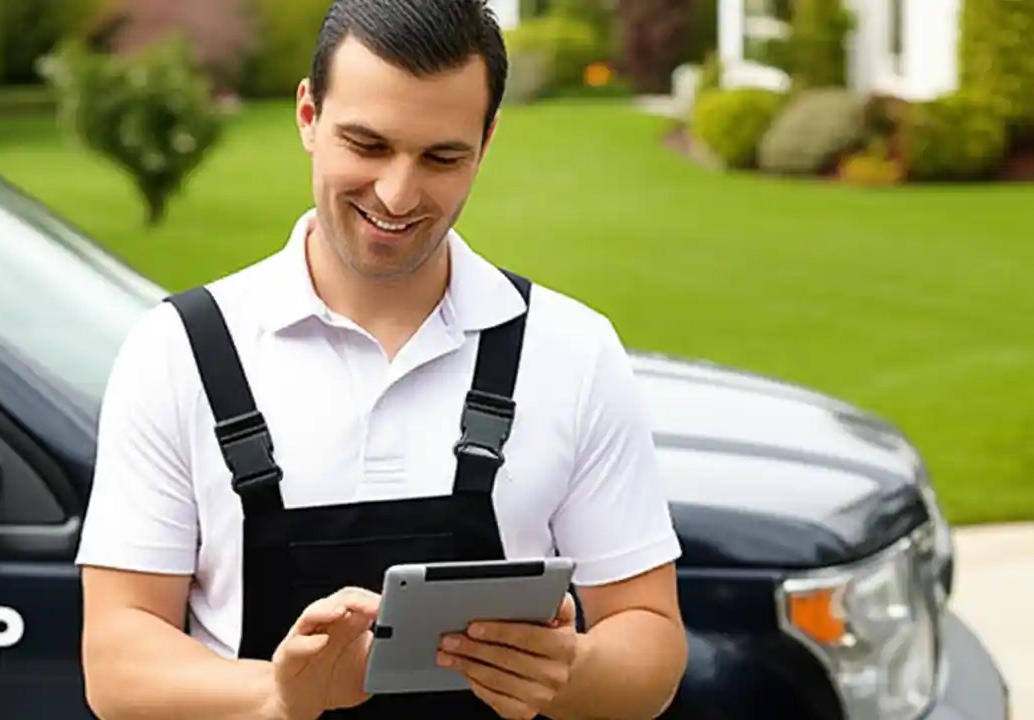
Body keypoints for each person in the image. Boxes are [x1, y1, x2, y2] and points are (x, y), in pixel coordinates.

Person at [75, 1, 687, 718]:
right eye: (366, 145)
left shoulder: (569, 350)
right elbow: (117, 658)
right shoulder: (181, 351)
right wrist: (279, 699)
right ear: (308, 116)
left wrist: (570, 669)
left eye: (442, 157)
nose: (397, 195)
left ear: (487, 141)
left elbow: (651, 641)